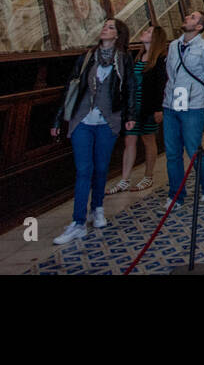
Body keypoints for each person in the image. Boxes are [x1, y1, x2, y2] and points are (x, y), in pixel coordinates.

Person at [50, 18, 138, 244]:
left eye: (110, 27)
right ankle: (77, 222)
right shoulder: (87, 57)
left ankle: (97, 207)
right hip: (82, 120)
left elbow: (129, 88)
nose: (104, 30)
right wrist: (58, 119)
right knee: (83, 170)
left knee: (100, 168)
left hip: (108, 121)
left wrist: (130, 116)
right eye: (104, 26)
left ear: (118, 35)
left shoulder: (123, 59)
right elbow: (70, 87)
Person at [162, 11, 204, 210]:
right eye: (188, 15)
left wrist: (203, 99)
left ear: (199, 27)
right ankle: (176, 194)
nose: (187, 17)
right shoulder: (173, 46)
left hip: (193, 105)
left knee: (193, 149)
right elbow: (170, 73)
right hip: (171, 104)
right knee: (172, 153)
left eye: (193, 18)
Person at [107, 24, 167, 194]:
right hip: (133, 107)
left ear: (156, 38)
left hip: (149, 107)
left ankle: (148, 176)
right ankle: (124, 179)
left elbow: (160, 85)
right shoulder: (137, 57)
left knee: (148, 140)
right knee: (129, 141)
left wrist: (158, 108)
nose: (144, 32)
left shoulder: (159, 59)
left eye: (149, 32)